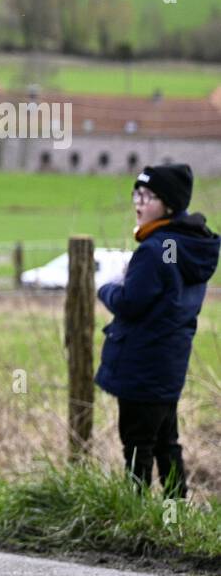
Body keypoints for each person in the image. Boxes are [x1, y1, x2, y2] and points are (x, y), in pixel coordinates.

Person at [96, 164, 218, 498]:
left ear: (169, 205)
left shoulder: (154, 251)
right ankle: (172, 518)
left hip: (142, 365)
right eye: (137, 194)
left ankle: (136, 515)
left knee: (137, 447)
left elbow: (131, 302)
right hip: (168, 363)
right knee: (167, 445)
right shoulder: (190, 245)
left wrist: (106, 288)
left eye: (149, 197)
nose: (139, 203)